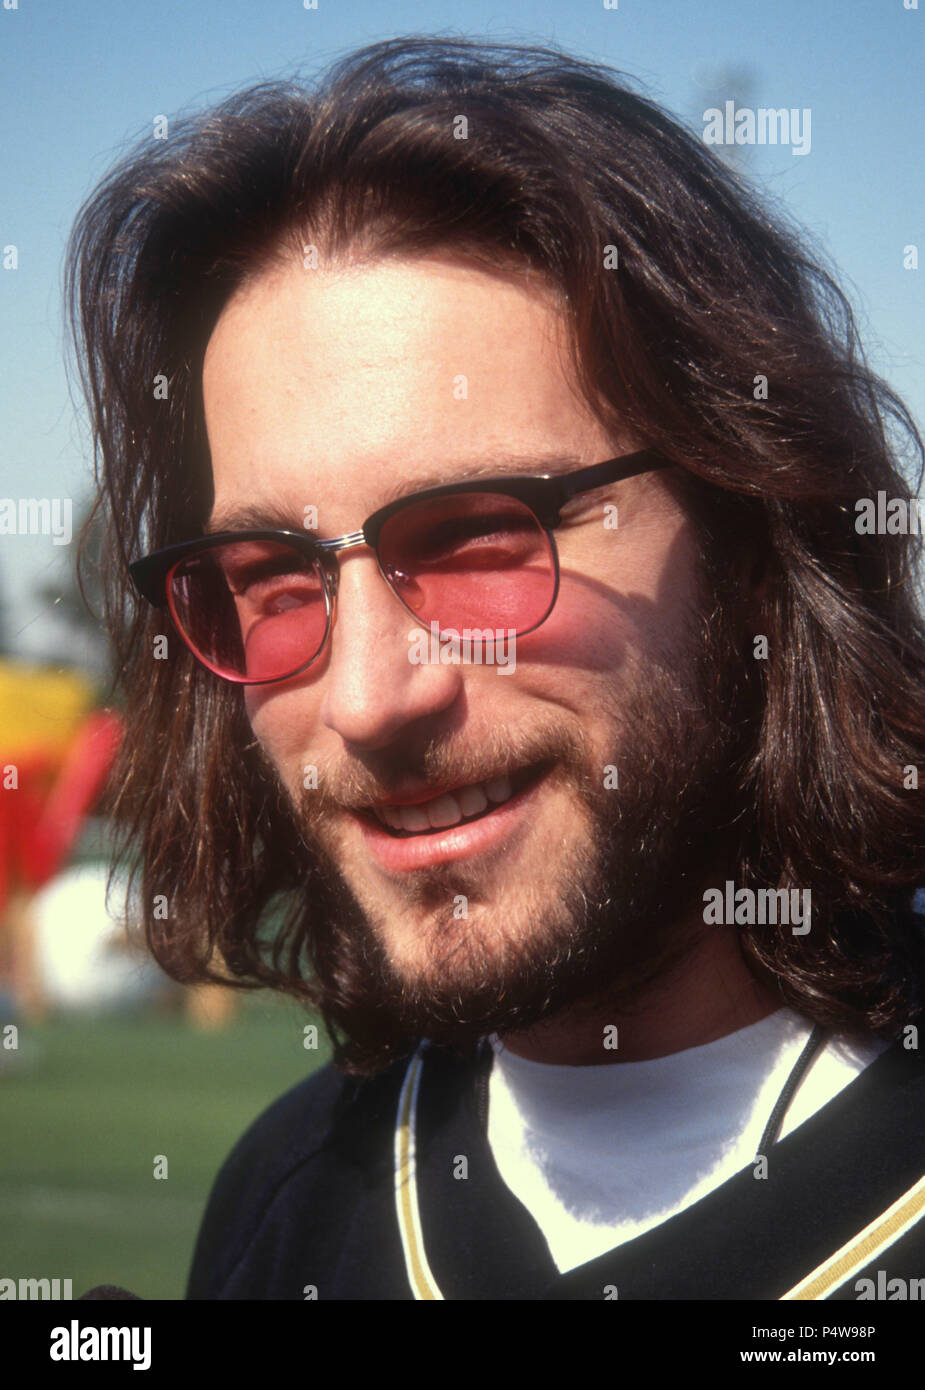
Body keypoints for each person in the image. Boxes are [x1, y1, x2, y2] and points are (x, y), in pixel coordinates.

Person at [66, 36, 925, 1301]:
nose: (368, 699)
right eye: (272, 578)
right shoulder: (287, 1203)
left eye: (477, 537)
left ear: (750, 542)